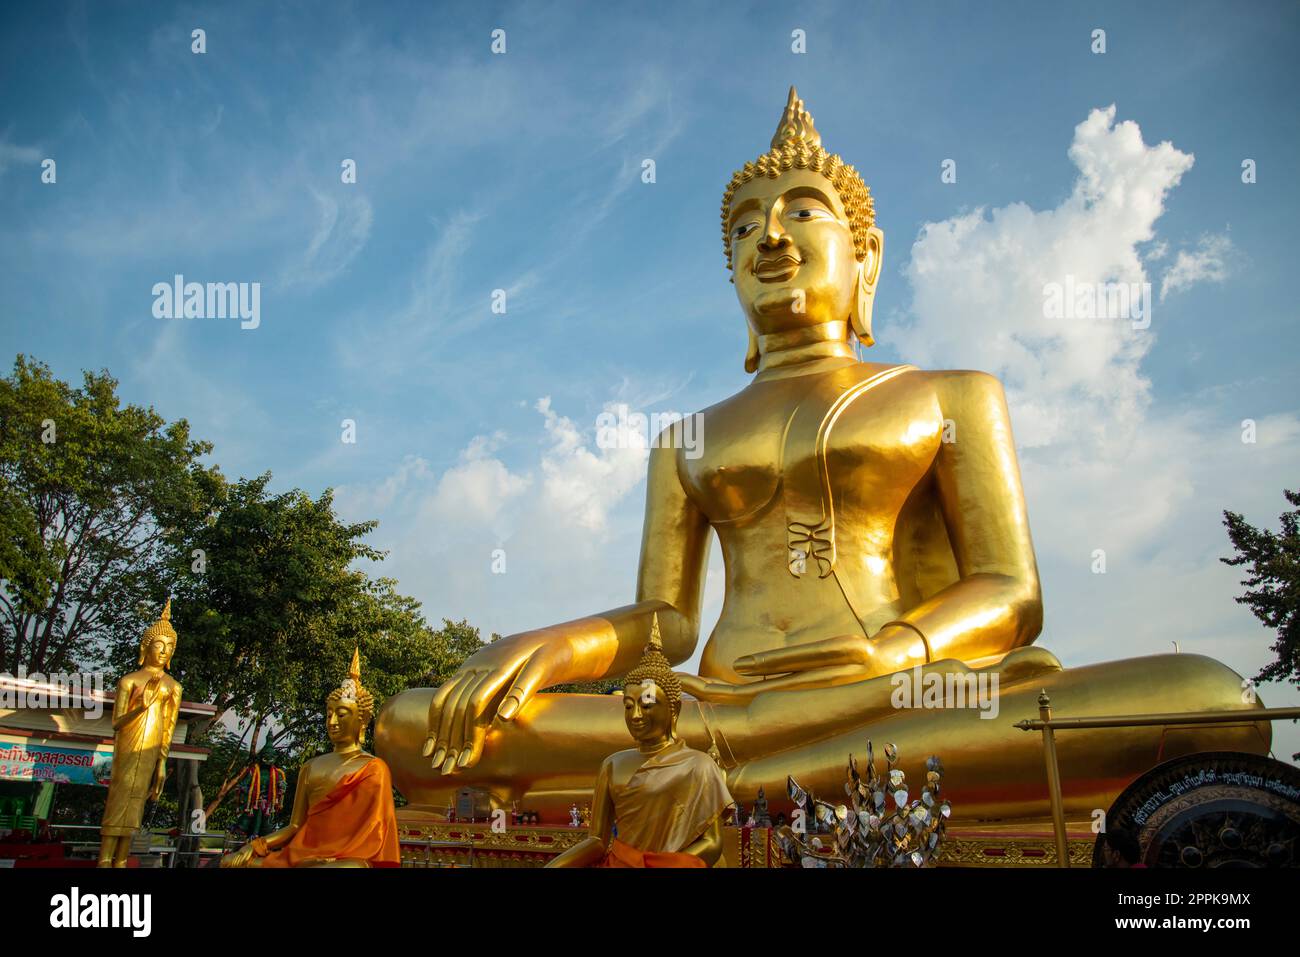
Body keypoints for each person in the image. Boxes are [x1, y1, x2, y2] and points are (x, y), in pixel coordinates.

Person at [222, 650, 399, 868]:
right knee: (230, 862)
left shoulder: (373, 768)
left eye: (341, 714)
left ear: (362, 721)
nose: (332, 722)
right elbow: (296, 825)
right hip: (303, 854)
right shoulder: (311, 766)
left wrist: (336, 856)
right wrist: (255, 846)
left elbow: (376, 830)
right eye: (328, 714)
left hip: (346, 858)